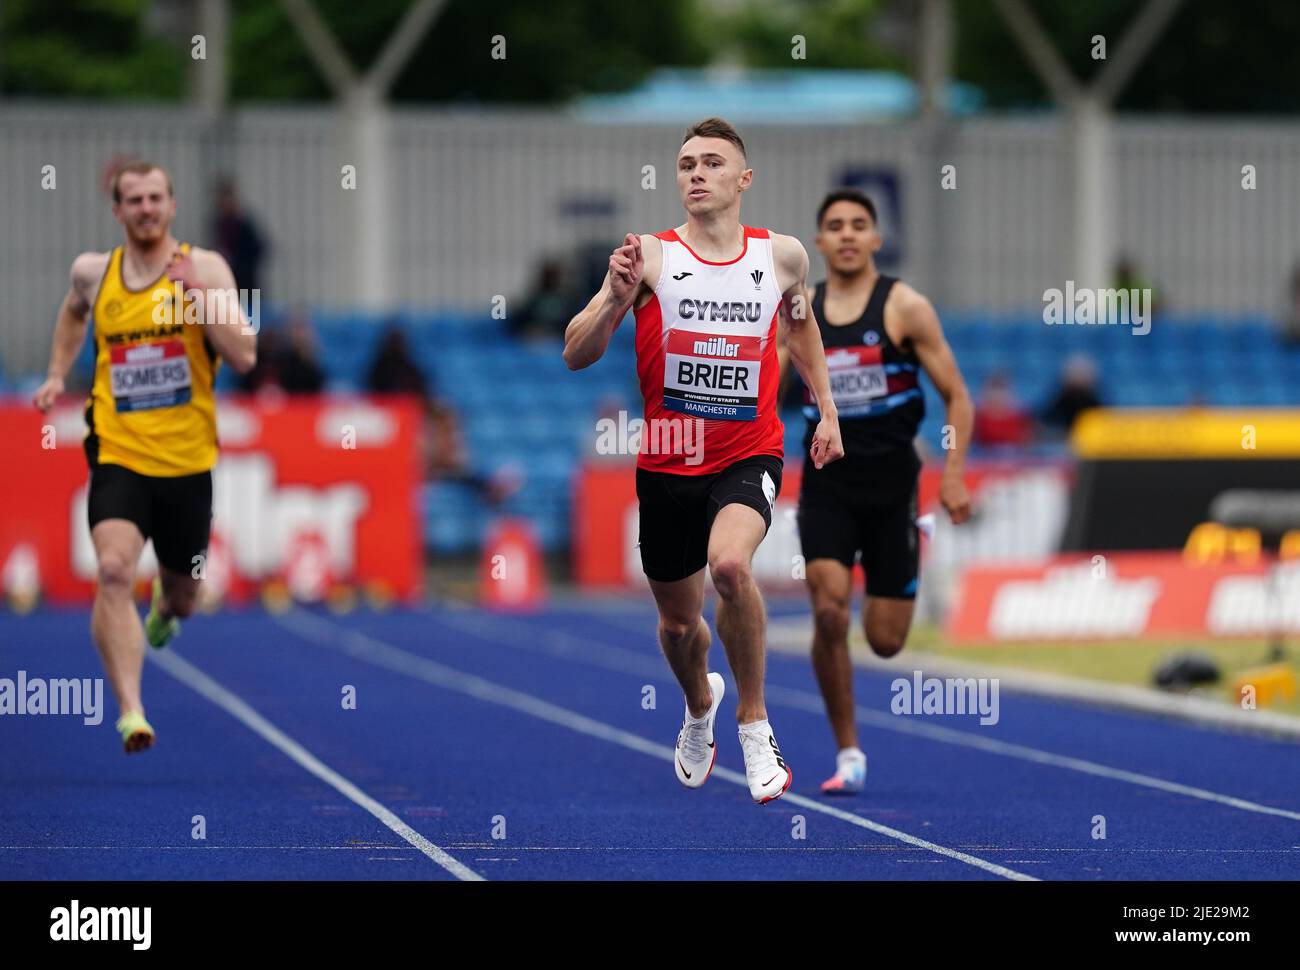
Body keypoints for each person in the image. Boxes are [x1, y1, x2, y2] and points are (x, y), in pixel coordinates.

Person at [563, 117, 844, 804]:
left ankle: (754, 722)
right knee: (679, 625)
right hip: (665, 463)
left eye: (712, 163)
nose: (695, 173)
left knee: (730, 566)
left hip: (748, 451)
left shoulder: (783, 258)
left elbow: (801, 326)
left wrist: (828, 410)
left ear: (743, 180)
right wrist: (610, 294)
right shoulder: (650, 259)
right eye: (686, 163)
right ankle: (699, 708)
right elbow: (575, 352)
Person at [32, 161, 257, 753]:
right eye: (134, 200)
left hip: (186, 462)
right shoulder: (93, 273)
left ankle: (168, 607)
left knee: (185, 594)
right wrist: (58, 375)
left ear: (172, 205)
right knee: (111, 570)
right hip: (118, 452)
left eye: (156, 197)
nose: (147, 209)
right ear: (118, 211)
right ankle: (131, 710)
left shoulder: (205, 267)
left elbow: (245, 356)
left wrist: (197, 296)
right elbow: (73, 313)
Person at [780, 188, 973, 795]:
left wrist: (955, 472)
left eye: (857, 225)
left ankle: (895, 566)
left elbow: (959, 396)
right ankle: (849, 750)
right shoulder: (798, 310)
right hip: (828, 483)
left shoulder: (906, 308)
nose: (845, 235)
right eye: (834, 225)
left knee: (887, 642)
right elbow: (765, 385)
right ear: (818, 241)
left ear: (875, 239)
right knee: (830, 608)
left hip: (893, 490)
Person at [1040, 353, 1102, 433]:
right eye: (1077, 374)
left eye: (1083, 374)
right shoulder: (1056, 406)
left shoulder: (1097, 407)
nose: (1079, 379)